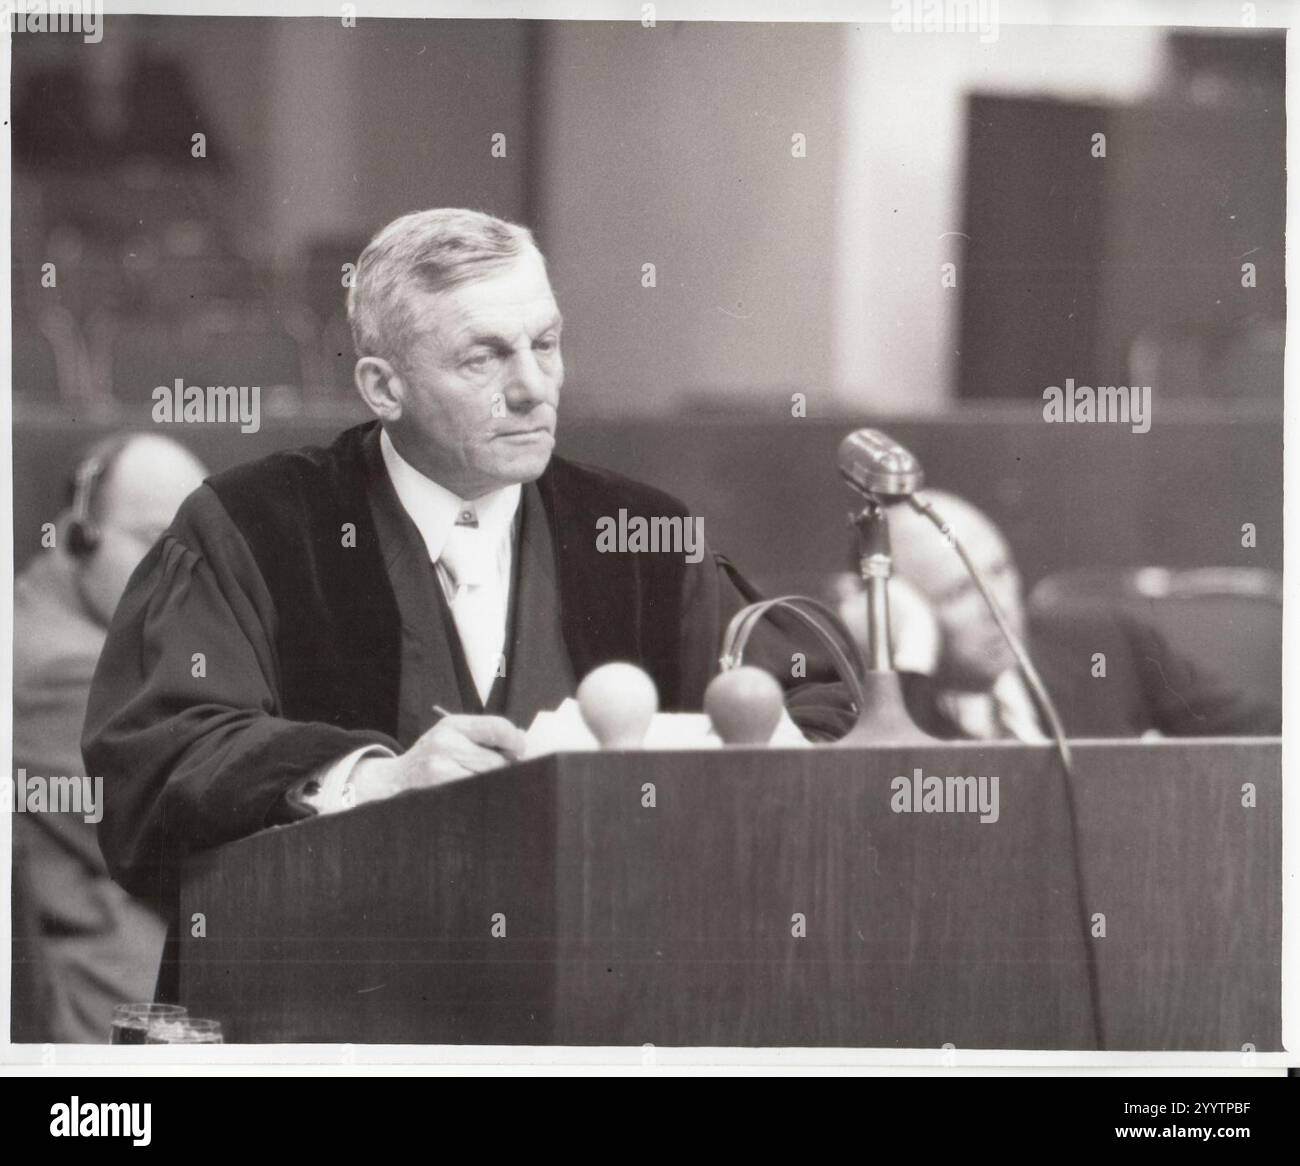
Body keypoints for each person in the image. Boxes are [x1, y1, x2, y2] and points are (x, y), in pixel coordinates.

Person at [83, 209, 848, 964]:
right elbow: (157, 759)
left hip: (596, 988)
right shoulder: (252, 526)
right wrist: (373, 780)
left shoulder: (639, 535)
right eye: (483, 358)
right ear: (384, 387)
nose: (532, 388)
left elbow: (816, 712)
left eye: (545, 345)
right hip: (333, 998)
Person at [14, 433, 208, 1041]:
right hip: (113, 1011)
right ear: (80, 536)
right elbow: (185, 848)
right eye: (154, 542)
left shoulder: (72, 635)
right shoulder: (58, 671)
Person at [838, 489, 1280, 741]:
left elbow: (1266, 738)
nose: (1000, 606)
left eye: (1000, 570)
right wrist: (906, 654)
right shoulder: (854, 708)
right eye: (959, 593)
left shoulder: (1106, 641)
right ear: (894, 609)